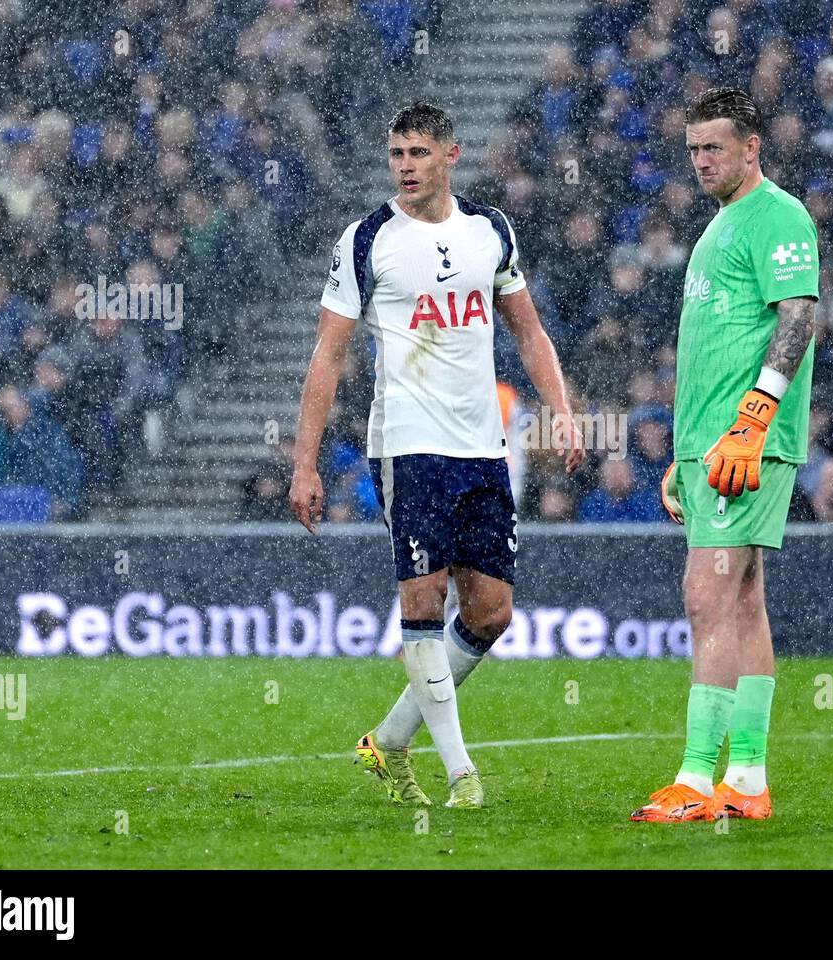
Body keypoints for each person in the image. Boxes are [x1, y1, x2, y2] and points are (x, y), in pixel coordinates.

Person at [288, 101, 584, 810]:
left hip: (481, 448)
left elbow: (531, 333)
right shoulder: (366, 239)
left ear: (450, 155)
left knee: (491, 615)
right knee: (423, 601)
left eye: (419, 153)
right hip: (408, 445)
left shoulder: (491, 231)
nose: (406, 167)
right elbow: (328, 356)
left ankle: (387, 741)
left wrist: (564, 413)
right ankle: (461, 773)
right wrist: (303, 462)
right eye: (396, 155)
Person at [633, 88, 818, 823]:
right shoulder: (721, 226)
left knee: (706, 598)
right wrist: (684, 450)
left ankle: (695, 780)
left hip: (744, 446)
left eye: (715, 147)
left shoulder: (777, 215)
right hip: (713, 448)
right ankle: (745, 778)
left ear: (753, 146)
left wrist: (752, 418)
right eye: (694, 150)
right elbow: (716, 350)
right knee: (742, 604)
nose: (702, 161)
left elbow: (799, 315)